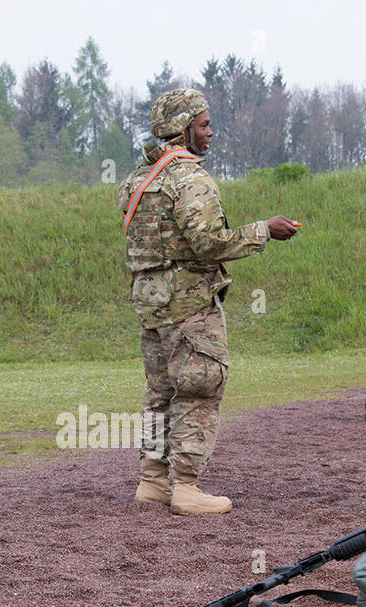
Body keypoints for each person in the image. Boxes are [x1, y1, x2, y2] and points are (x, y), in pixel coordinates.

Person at [119, 88, 299, 515]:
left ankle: (152, 481)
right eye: (203, 125)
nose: (210, 132)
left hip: (151, 303)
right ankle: (186, 486)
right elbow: (208, 243)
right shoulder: (190, 179)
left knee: (159, 392)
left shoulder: (137, 180)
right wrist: (264, 230)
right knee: (199, 388)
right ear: (183, 129)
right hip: (189, 305)